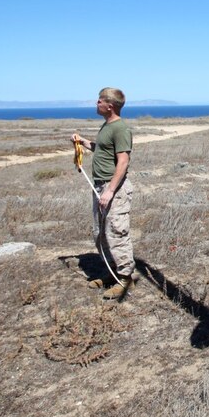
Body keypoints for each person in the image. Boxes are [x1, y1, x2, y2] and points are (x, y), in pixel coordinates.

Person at [71, 87, 135, 300]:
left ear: (110, 105)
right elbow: (102, 149)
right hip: (100, 187)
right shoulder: (106, 126)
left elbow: (123, 161)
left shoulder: (121, 129)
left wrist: (109, 190)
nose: (96, 104)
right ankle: (113, 272)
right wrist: (82, 142)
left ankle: (125, 278)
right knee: (100, 234)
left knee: (116, 233)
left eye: (99, 101)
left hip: (112, 189)